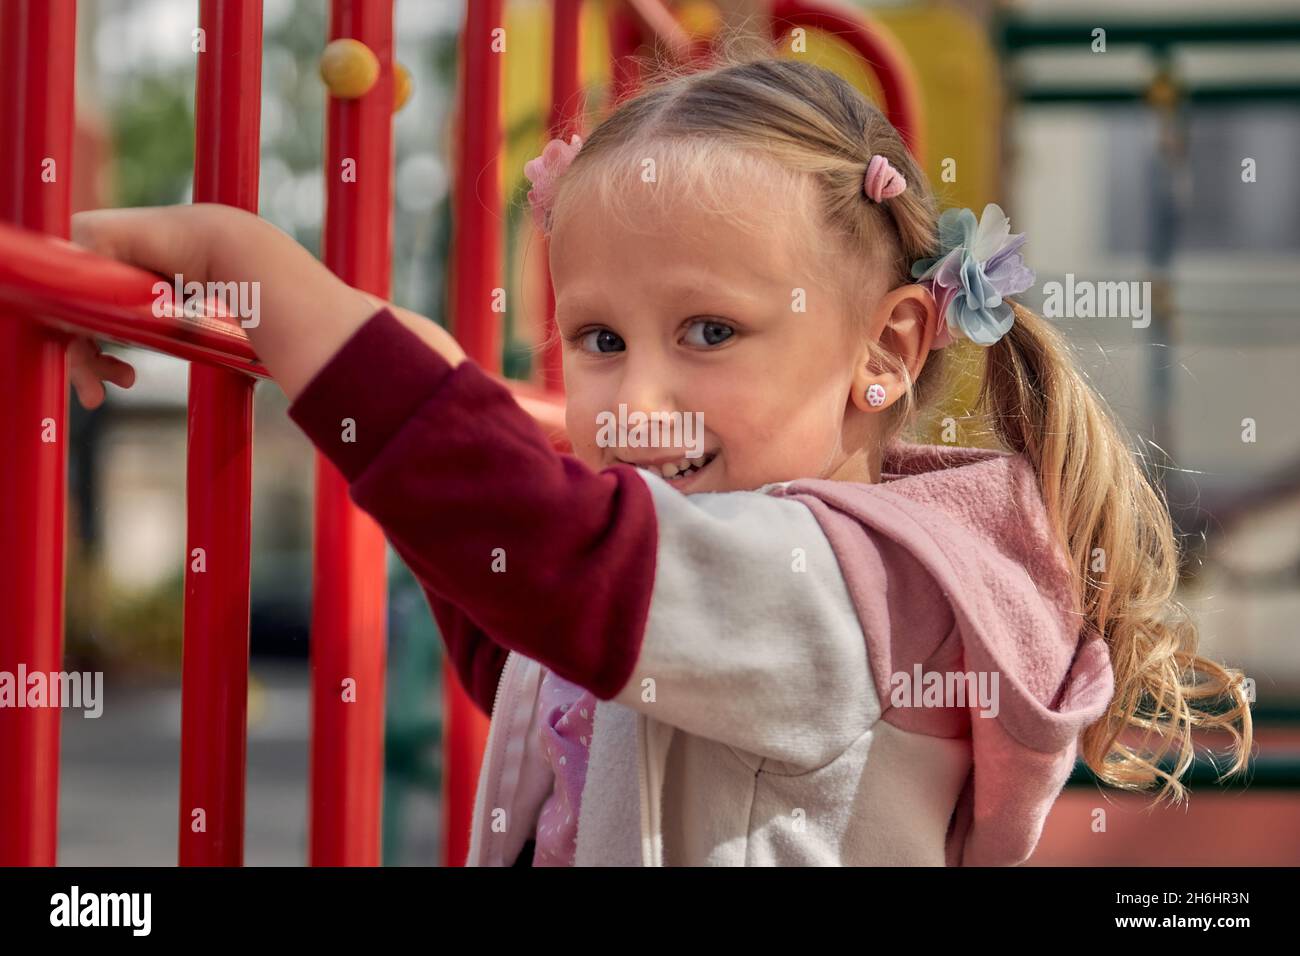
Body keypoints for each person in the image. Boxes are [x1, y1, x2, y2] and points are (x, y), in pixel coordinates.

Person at [69, 56, 1251, 866]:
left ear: (886, 346)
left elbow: (554, 566)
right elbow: (521, 626)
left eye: (709, 333)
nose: (635, 398)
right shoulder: (708, 571)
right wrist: (356, 350)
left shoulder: (848, 587)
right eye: (599, 339)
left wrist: (259, 270)